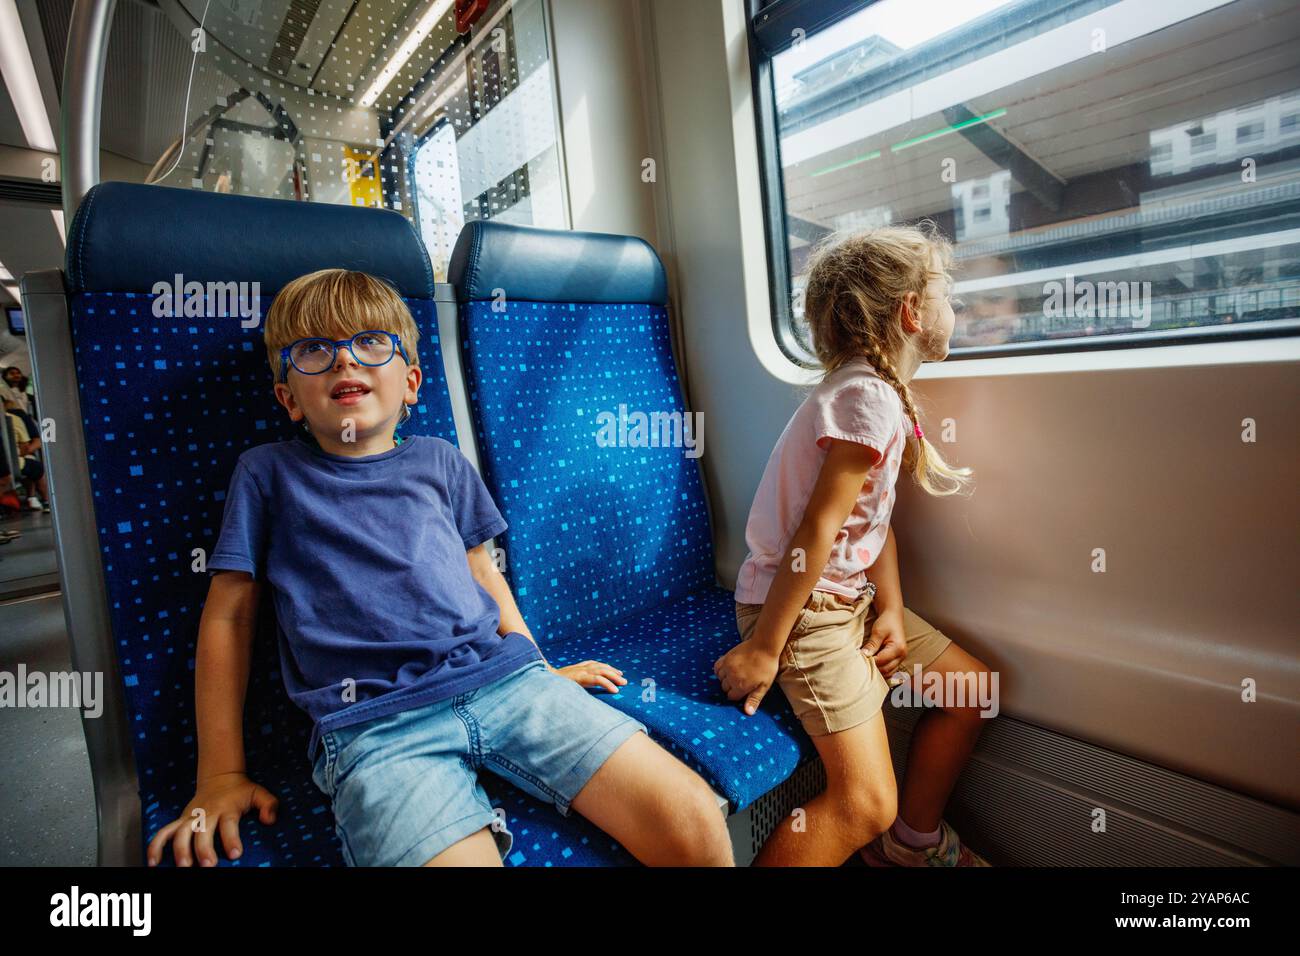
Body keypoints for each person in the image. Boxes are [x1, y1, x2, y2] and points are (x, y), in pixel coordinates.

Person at [147, 269, 733, 867]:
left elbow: (484, 571)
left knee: (692, 818)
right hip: (375, 725)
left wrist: (536, 663)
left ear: (411, 382)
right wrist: (220, 773)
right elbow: (231, 617)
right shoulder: (266, 475)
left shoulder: (440, 461)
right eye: (314, 351)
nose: (345, 362)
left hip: (508, 683)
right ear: (288, 399)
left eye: (371, 343)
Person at [715, 224, 993, 867]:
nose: (957, 310)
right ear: (912, 311)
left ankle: (911, 845)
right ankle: (890, 831)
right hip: (800, 612)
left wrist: (889, 608)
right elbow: (814, 532)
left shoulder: (875, 391)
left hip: (848, 598)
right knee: (865, 802)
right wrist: (764, 647)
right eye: (947, 296)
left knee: (970, 692)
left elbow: (869, 523)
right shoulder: (866, 397)